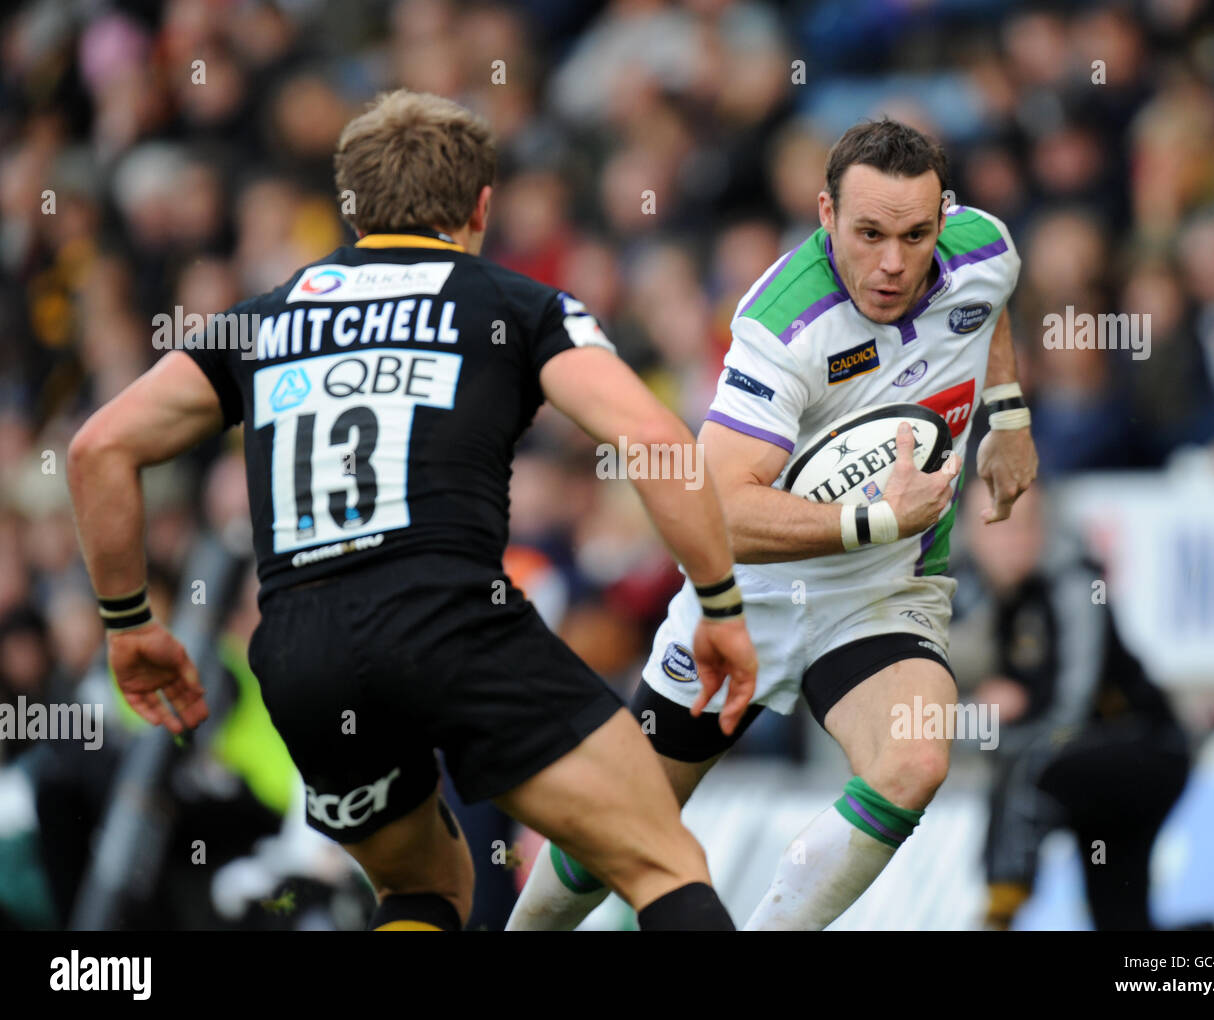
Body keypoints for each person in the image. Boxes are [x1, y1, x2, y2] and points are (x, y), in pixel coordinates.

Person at [67, 89, 758, 932]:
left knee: (423, 888)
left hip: (305, 654)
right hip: (452, 625)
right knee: (664, 861)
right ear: (481, 207)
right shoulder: (513, 304)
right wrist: (720, 603)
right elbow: (652, 437)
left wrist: (130, 625)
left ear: (349, 211)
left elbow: (98, 450)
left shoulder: (262, 320)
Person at [509, 117, 1037, 931]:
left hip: (881, 597)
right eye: (868, 234)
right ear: (825, 215)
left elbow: (988, 305)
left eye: (915, 235)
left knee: (916, 757)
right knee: (619, 828)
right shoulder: (780, 328)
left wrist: (1007, 416)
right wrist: (877, 517)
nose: (893, 263)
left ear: (945, 217)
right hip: (749, 603)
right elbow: (718, 509)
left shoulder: (982, 249)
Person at [961, 484, 1192, 931]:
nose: (1007, 539)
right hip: (1093, 765)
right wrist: (978, 715)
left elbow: (1066, 712)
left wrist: (994, 721)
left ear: (1041, 527)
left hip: (1145, 750)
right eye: (992, 527)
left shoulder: (1074, 583)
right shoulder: (981, 592)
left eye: (1020, 524)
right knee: (1122, 922)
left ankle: (999, 911)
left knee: (1029, 767)